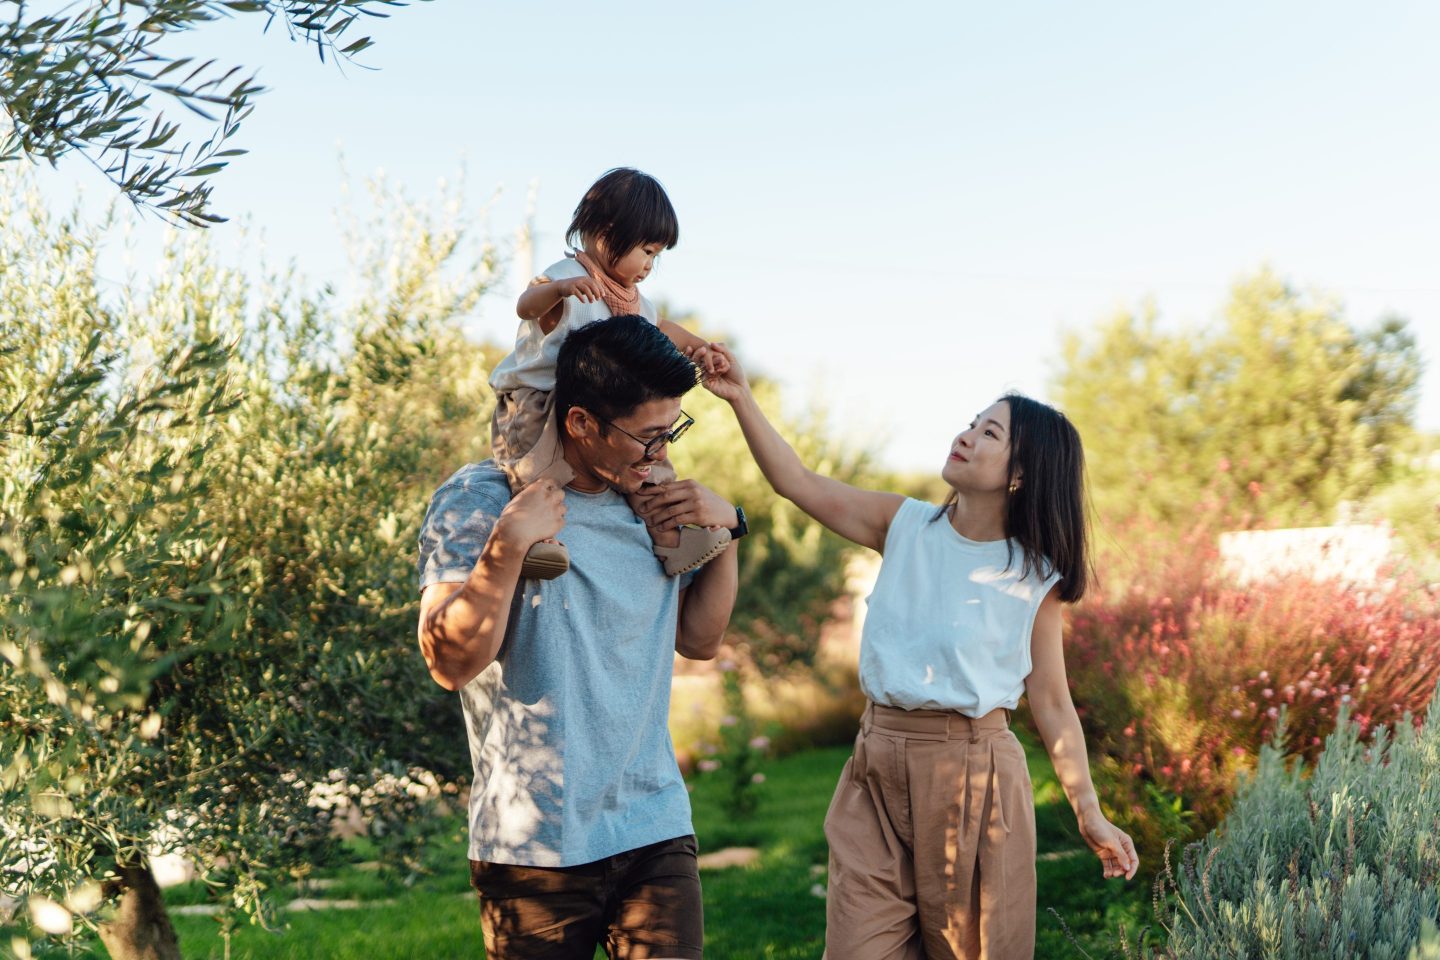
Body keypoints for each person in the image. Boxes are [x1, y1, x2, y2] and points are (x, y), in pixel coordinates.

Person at [697, 344, 1138, 960]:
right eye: (971, 422)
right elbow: (795, 482)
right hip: (875, 768)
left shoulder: (1035, 577)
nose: (967, 435)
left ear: (1020, 474)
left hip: (975, 776)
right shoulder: (901, 523)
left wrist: (1089, 813)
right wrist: (741, 396)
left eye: (990, 433)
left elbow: (1053, 703)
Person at [417, 316, 746, 960]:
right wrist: (509, 544)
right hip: (534, 843)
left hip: (653, 826)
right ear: (580, 424)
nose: (661, 452)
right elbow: (449, 662)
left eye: (671, 431)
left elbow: (699, 640)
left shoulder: (653, 505)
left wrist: (728, 533)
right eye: (646, 437)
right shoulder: (480, 498)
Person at [489, 167, 730, 581]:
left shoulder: (636, 301)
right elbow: (526, 306)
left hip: (606, 409)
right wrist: (559, 292)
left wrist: (699, 348)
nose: (649, 265)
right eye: (646, 250)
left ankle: (670, 540)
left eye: (656, 255)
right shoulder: (567, 278)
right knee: (533, 468)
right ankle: (536, 541)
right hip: (537, 397)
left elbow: (663, 329)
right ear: (606, 231)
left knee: (654, 466)